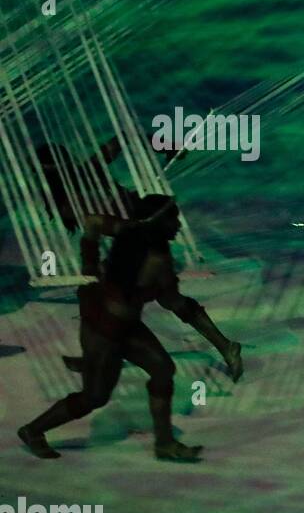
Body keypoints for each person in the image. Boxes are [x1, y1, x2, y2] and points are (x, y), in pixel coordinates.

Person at [17, 195, 237, 461]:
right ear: (158, 223)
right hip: (104, 330)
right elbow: (176, 303)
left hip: (117, 323)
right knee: (95, 397)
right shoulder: (158, 260)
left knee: (162, 368)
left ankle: (165, 443)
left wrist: (90, 262)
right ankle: (33, 430)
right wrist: (221, 341)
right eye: (173, 219)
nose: (179, 225)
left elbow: (93, 222)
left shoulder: (130, 230)